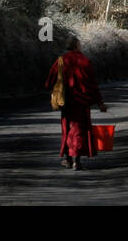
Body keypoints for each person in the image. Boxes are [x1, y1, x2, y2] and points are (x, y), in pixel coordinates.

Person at [44, 36, 108, 170]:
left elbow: (49, 80)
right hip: (82, 103)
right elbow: (92, 85)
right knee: (79, 131)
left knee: (67, 129)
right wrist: (100, 102)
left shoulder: (61, 60)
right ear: (77, 46)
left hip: (66, 101)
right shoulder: (84, 61)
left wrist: (54, 89)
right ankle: (76, 161)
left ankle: (68, 159)